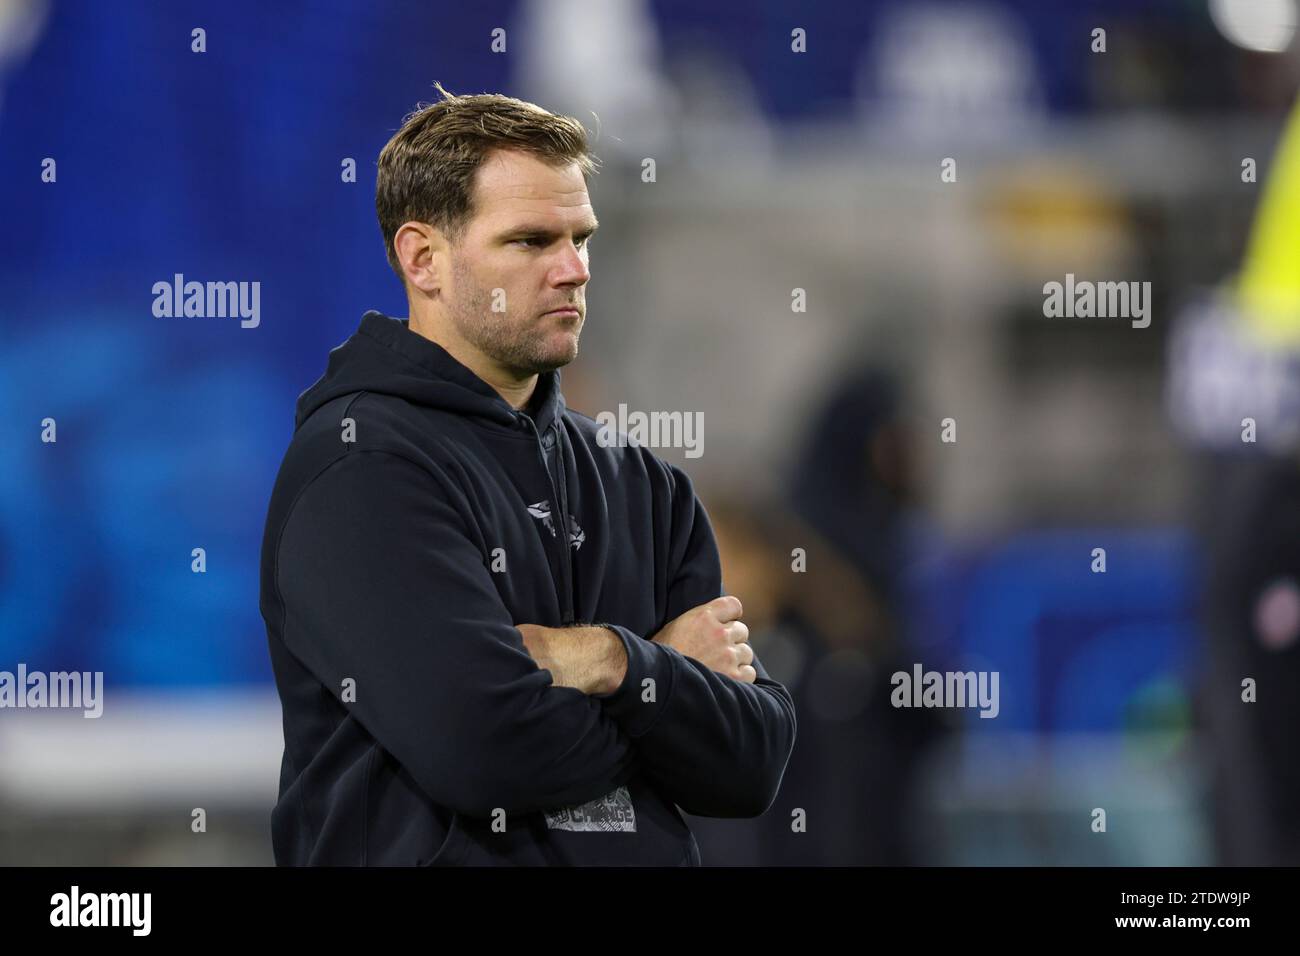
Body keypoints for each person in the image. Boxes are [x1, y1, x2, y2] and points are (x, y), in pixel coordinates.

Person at [258, 83, 796, 866]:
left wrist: (611, 660)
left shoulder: (643, 484)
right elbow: (481, 748)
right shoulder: (360, 468)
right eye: (531, 240)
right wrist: (666, 687)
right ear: (423, 259)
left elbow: (750, 763)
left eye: (582, 237)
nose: (573, 269)